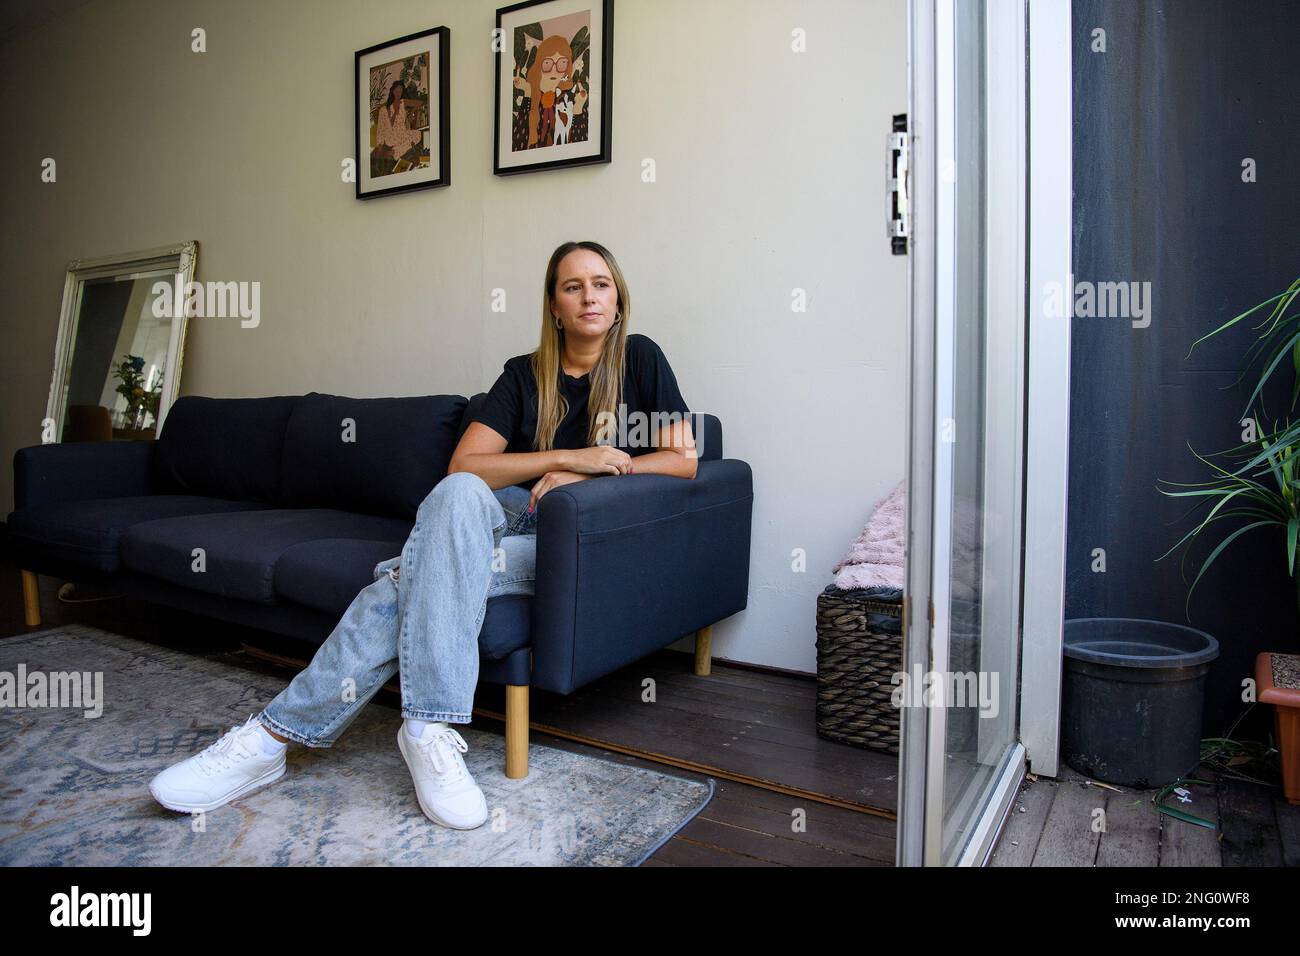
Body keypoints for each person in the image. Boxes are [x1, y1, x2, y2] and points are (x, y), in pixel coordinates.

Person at [148, 240, 698, 830]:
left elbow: (683, 459)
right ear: (554, 305)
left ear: (618, 298)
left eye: (601, 283)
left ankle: (267, 740)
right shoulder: (523, 374)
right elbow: (465, 467)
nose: (589, 296)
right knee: (458, 494)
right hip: (504, 514)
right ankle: (430, 729)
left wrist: (588, 474)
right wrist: (569, 455)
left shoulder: (641, 359)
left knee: (408, 579)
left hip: (568, 534)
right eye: (573, 286)